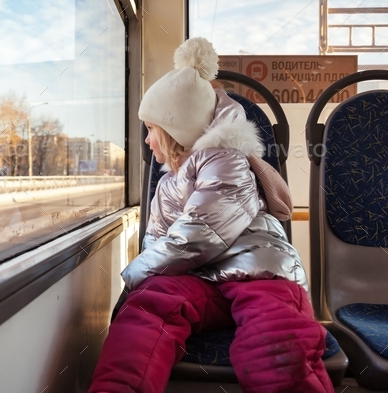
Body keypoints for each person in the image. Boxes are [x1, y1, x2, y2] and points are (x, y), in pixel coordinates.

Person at [88, 37, 334, 393]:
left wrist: (138, 271)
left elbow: (199, 233)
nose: (146, 141)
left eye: (151, 131)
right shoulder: (168, 183)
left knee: (275, 337)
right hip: (203, 279)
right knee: (147, 309)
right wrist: (146, 284)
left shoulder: (223, 161)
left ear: (175, 133)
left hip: (257, 271)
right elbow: (159, 238)